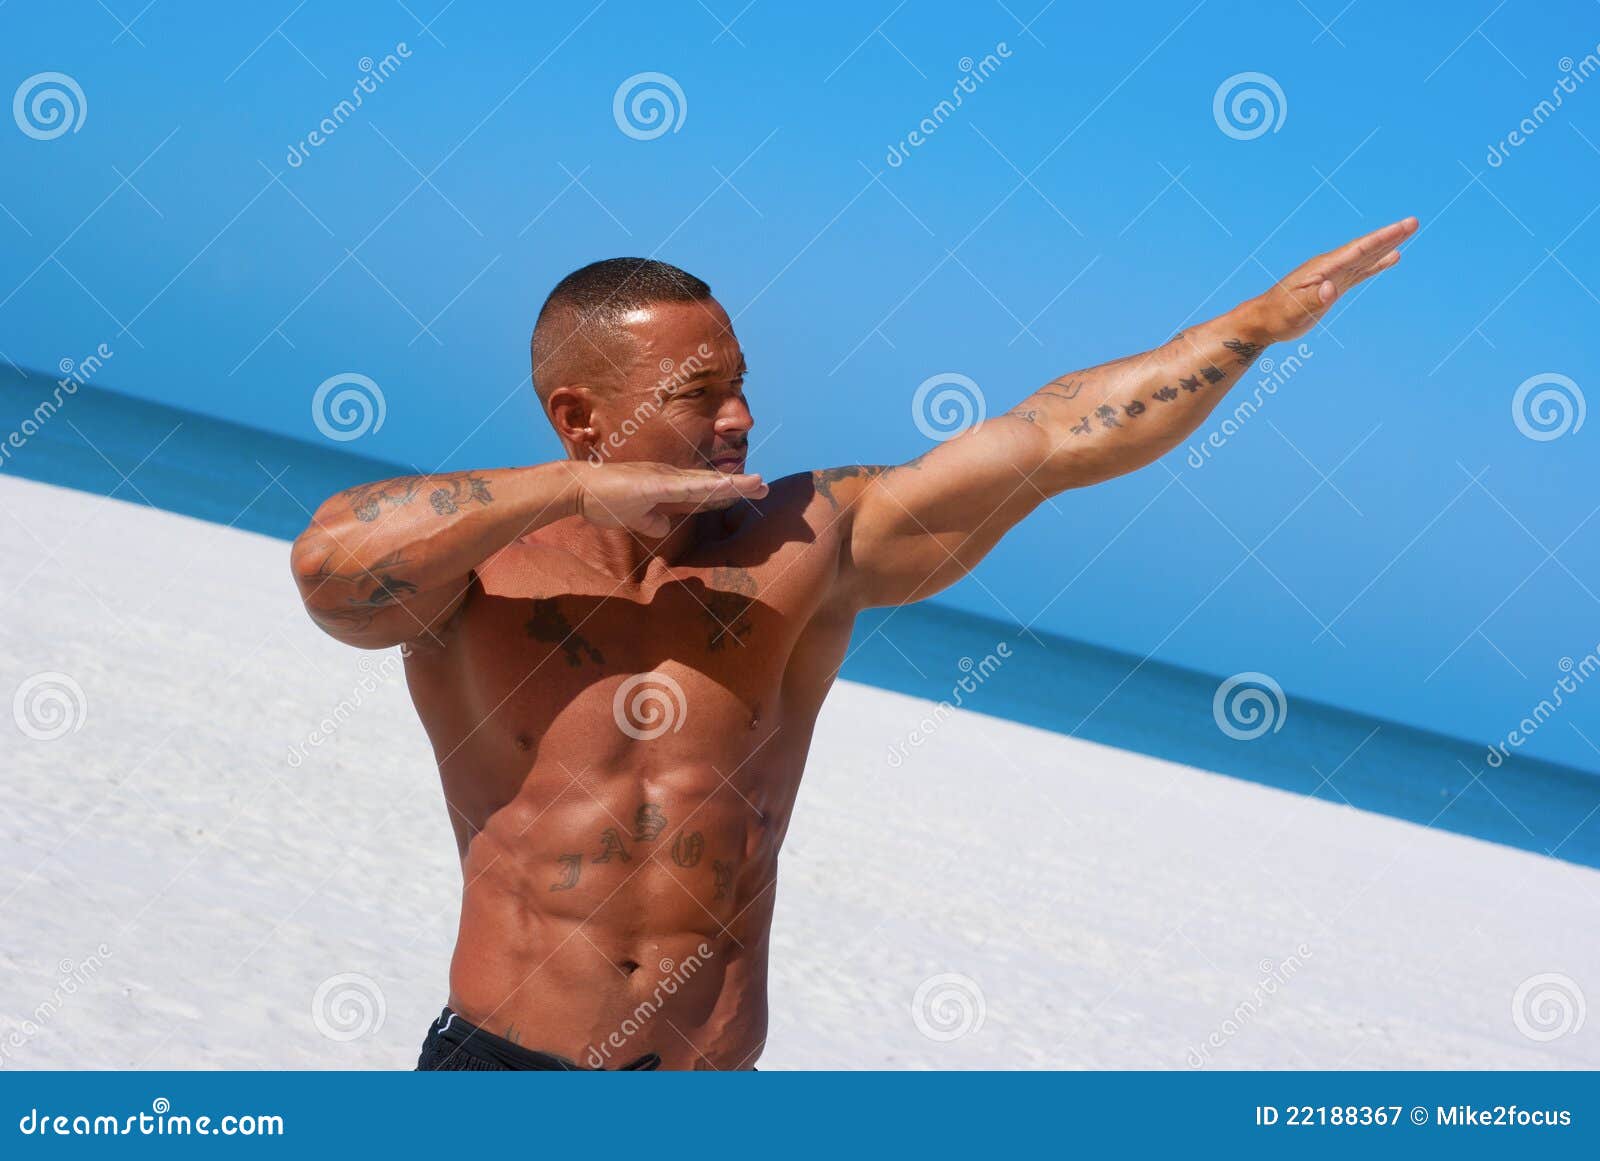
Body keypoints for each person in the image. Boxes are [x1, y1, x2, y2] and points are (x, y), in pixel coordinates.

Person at [289, 217, 1417, 1070]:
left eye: (741, 387)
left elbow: (1053, 436)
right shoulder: (477, 572)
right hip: (503, 1072)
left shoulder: (807, 539)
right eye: (698, 394)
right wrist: (575, 490)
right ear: (581, 417)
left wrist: (1251, 328)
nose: (737, 419)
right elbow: (330, 568)